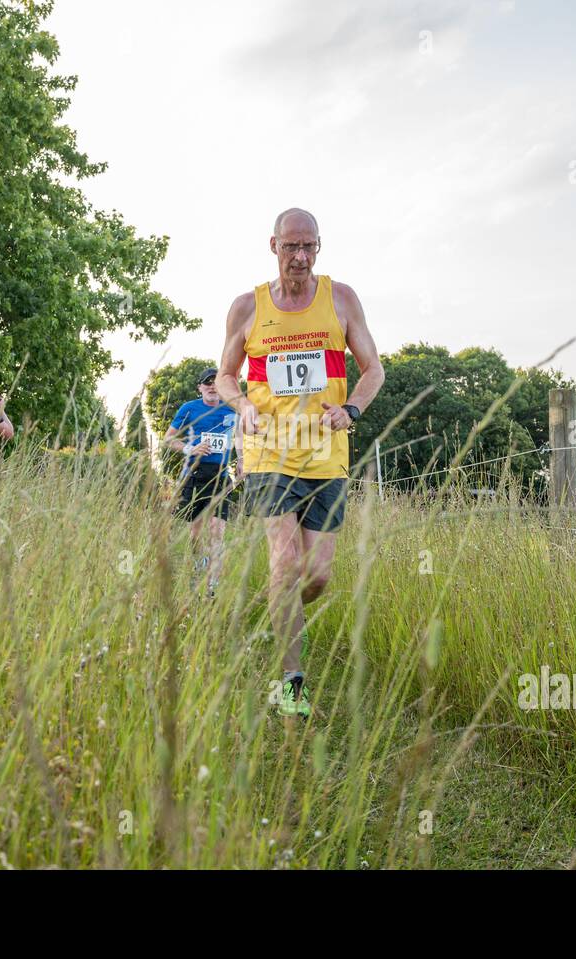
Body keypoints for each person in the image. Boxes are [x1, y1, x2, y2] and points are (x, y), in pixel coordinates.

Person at [215, 209, 384, 719]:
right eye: (291, 246)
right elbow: (226, 375)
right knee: (286, 563)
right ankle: (291, 686)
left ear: (318, 247)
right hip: (268, 452)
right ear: (273, 246)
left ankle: (277, 609)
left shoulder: (341, 299)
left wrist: (351, 409)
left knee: (316, 577)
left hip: (326, 455)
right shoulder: (248, 307)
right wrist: (241, 405)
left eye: (309, 246)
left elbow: (373, 369)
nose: (300, 256)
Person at [164, 367, 243, 596]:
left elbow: (238, 435)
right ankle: (197, 572)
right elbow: (169, 439)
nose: (211, 386)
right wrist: (191, 448)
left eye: (215, 382)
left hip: (220, 476)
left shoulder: (232, 408)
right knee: (195, 532)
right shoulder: (189, 408)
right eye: (206, 382)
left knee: (217, 530)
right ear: (199, 387)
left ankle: (212, 587)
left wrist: (242, 459)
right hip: (194, 475)